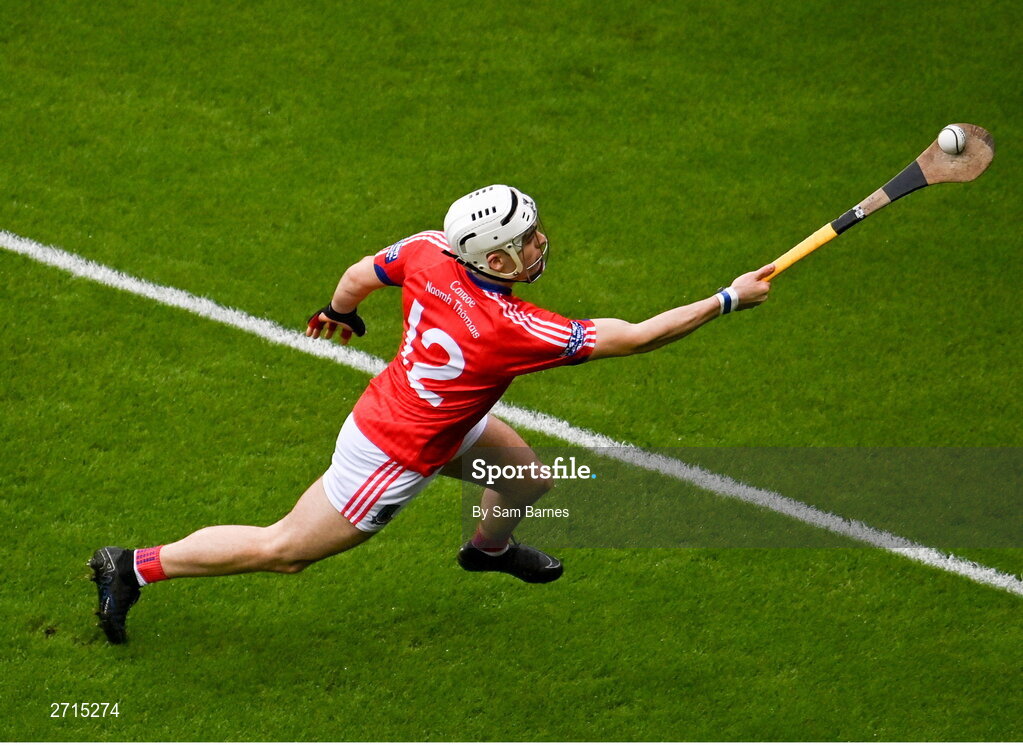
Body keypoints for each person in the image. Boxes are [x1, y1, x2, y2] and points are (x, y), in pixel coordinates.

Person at [89, 184, 773, 644]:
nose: (540, 243)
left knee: (526, 478)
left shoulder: (428, 249)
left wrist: (339, 312)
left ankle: (486, 551)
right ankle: (134, 565)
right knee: (285, 551)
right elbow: (638, 336)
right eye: (528, 240)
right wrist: (728, 299)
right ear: (497, 257)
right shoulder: (513, 326)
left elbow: (359, 274)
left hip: (433, 414)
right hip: (394, 451)